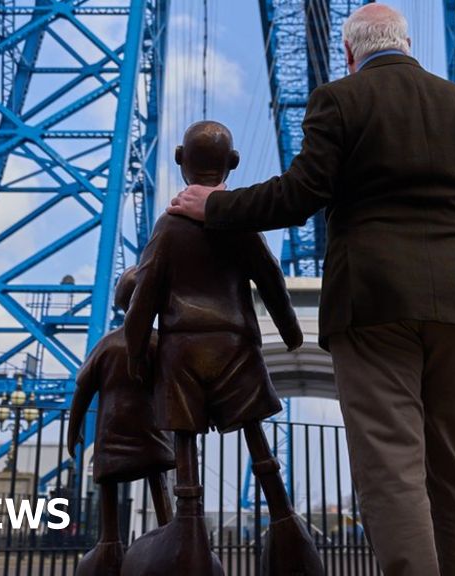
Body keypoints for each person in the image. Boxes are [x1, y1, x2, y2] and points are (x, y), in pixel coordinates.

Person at [167, 5, 455, 575]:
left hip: (372, 307)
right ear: (408, 44)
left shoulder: (340, 99)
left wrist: (218, 206)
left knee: (392, 466)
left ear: (350, 54)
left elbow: (300, 194)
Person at [120, 121, 323, 576]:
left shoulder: (168, 226)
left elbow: (145, 292)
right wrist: (291, 333)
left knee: (185, 449)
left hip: (181, 352)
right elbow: (271, 279)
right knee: (258, 446)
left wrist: (136, 349)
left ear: (179, 159)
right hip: (235, 346)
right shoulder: (240, 221)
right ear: (232, 163)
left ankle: (188, 540)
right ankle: (287, 533)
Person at [66, 266, 176, 576]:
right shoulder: (161, 343)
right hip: (153, 432)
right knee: (159, 482)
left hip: (111, 434)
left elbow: (82, 390)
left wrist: (73, 430)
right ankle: (171, 537)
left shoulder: (105, 344)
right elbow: (179, 385)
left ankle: (109, 545)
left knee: (109, 489)